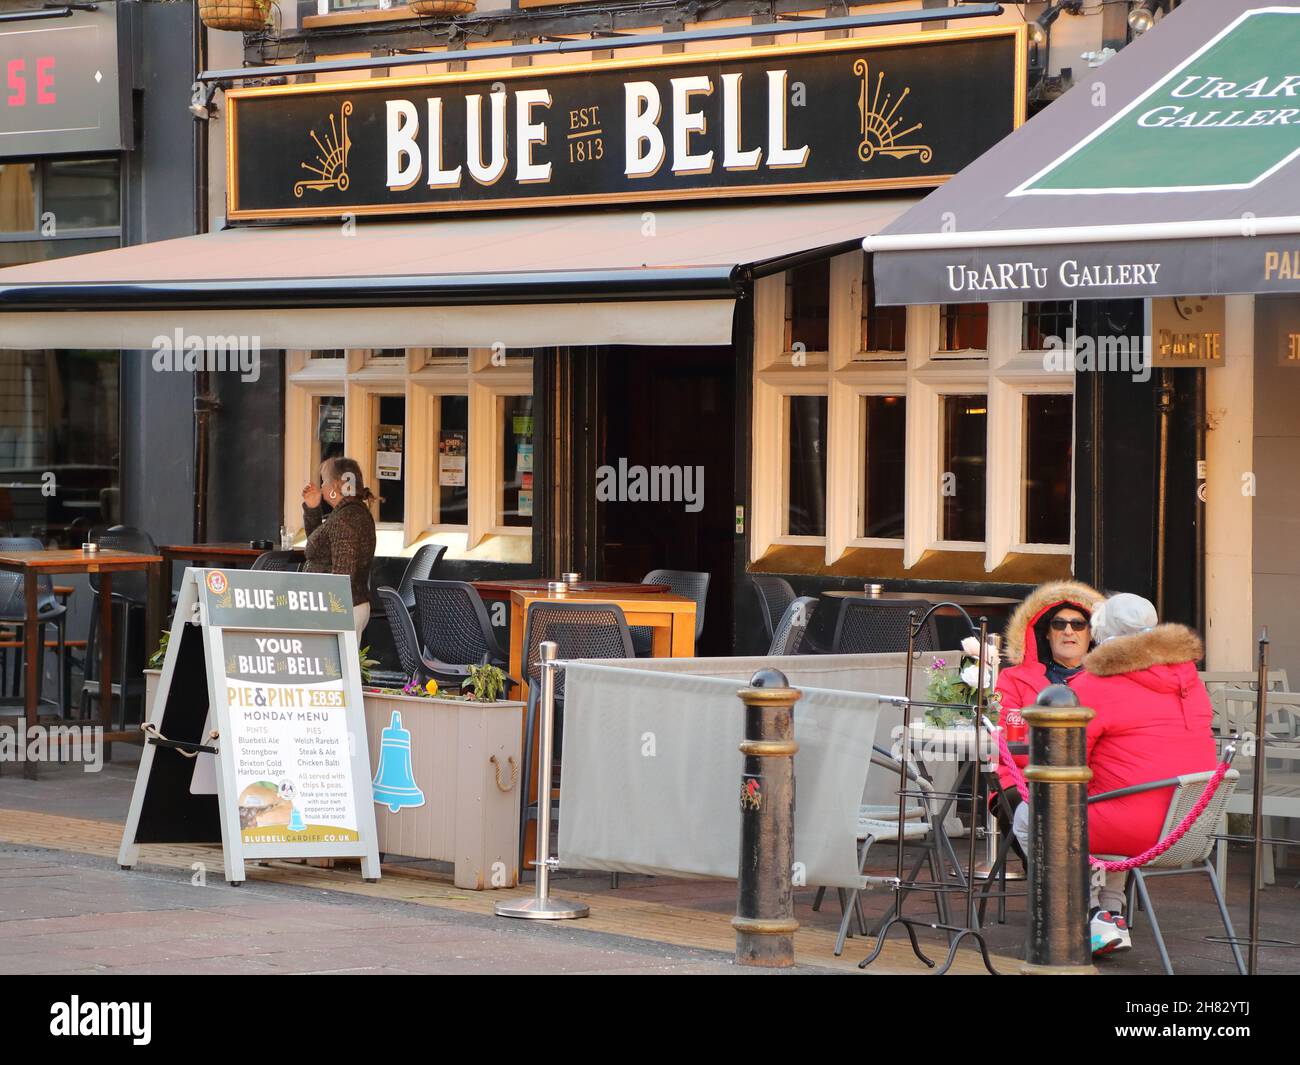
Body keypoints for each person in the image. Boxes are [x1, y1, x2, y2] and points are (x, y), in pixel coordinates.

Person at [992, 579, 1101, 814]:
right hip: (1024, 779)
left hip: (1094, 783)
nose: (1068, 631)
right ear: (1048, 634)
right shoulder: (1013, 678)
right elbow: (1008, 740)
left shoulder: (1108, 680)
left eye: (1078, 624)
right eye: (1059, 624)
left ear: (1091, 634)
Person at [302, 456, 377, 634]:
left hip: (338, 610)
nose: (321, 487)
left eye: (324, 481)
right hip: (345, 607)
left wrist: (328, 613)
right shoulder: (352, 512)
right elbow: (320, 548)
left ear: (336, 485)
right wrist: (313, 508)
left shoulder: (346, 518)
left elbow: (343, 575)